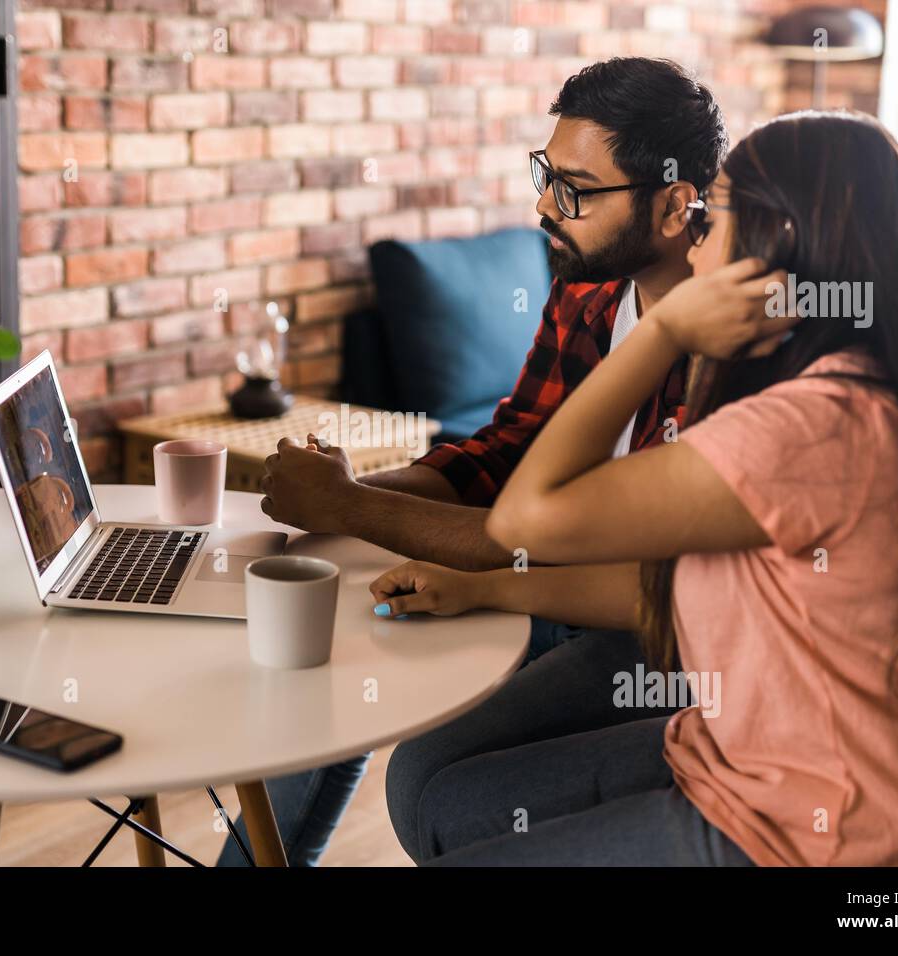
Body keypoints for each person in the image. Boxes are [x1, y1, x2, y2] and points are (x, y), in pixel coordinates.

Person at [372, 110, 898, 866]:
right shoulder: (848, 389)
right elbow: (666, 581)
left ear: (776, 242)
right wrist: (480, 590)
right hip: (742, 760)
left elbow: (527, 516)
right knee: (446, 800)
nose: (696, 240)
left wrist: (665, 331)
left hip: (842, 835)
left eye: (713, 218)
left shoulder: (817, 423)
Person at [214, 56, 729, 865]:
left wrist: (357, 512)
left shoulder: (732, 347)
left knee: (426, 780)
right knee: (334, 623)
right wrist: (347, 494)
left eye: (576, 191)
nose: (543, 208)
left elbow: (623, 565)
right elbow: (506, 448)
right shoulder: (589, 288)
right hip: (556, 581)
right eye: (545, 175)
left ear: (672, 206)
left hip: (653, 635)